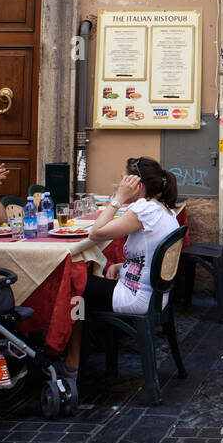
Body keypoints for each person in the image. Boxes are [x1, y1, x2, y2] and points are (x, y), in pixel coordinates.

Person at [61, 157, 181, 379]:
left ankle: (72, 360)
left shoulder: (144, 210)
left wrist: (118, 199)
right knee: (84, 280)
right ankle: (84, 351)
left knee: (74, 282)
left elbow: (95, 233)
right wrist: (121, 265)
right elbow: (150, 254)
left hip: (137, 297)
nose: (120, 183)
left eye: (124, 179)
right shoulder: (164, 210)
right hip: (155, 295)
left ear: (137, 184)